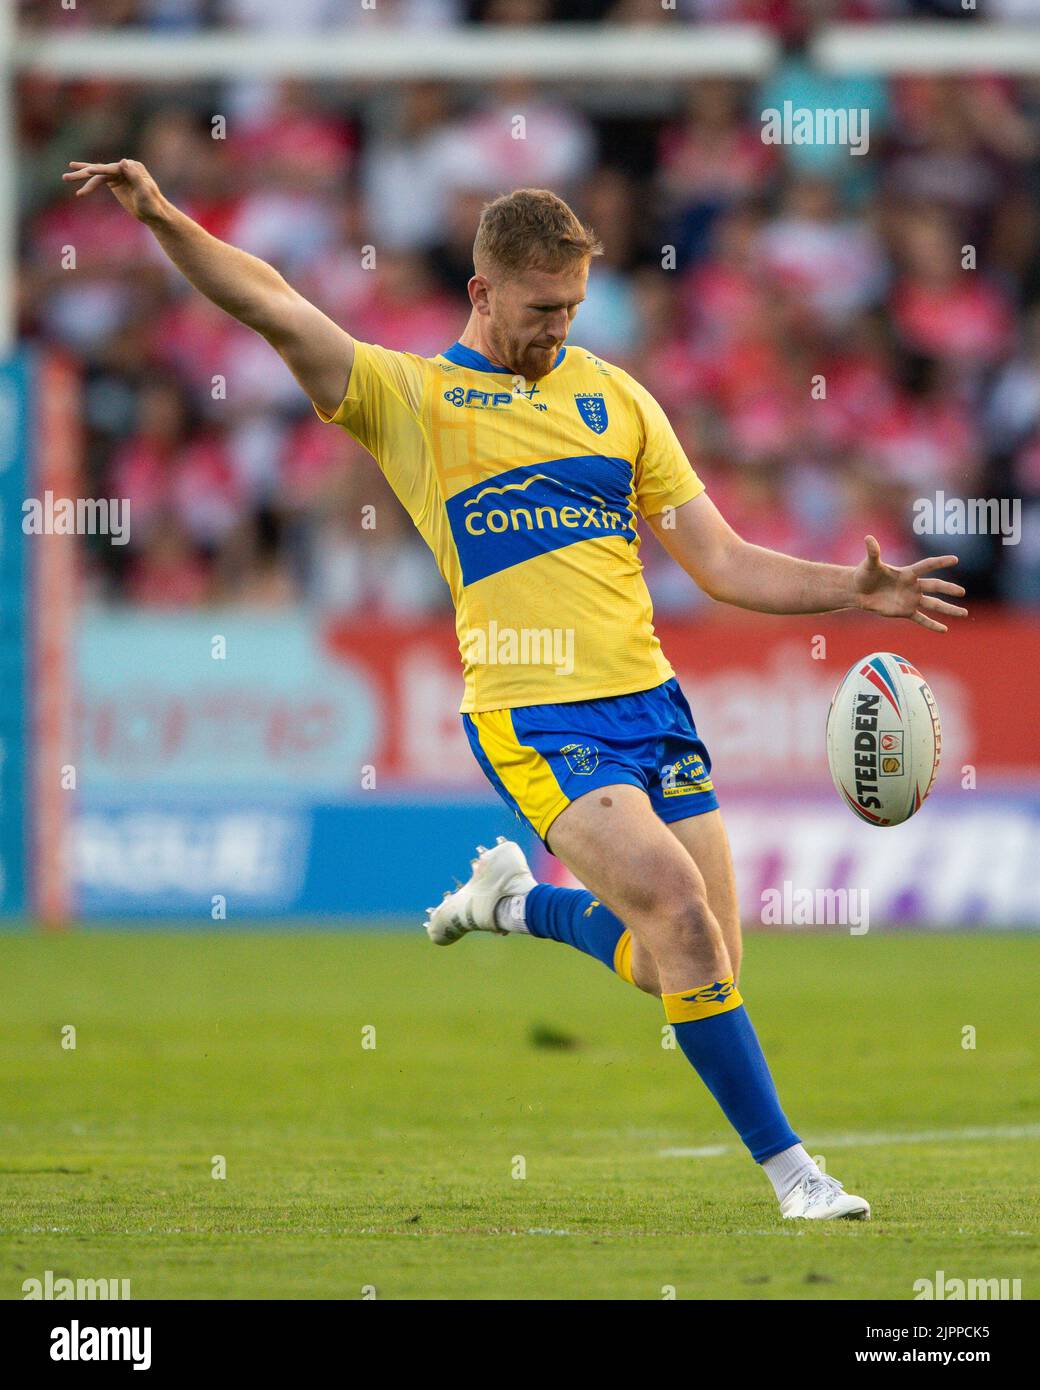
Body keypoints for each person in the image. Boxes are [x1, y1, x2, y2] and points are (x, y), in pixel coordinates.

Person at [65, 160, 968, 1219]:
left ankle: (513, 903)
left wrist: (850, 590)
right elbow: (270, 303)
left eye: (575, 308)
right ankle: (794, 1174)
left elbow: (719, 562)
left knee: (683, 960)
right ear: (481, 294)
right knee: (677, 915)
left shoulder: (614, 397)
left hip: (652, 707)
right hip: (535, 717)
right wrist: (163, 215)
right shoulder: (413, 399)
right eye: (543, 310)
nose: (559, 328)